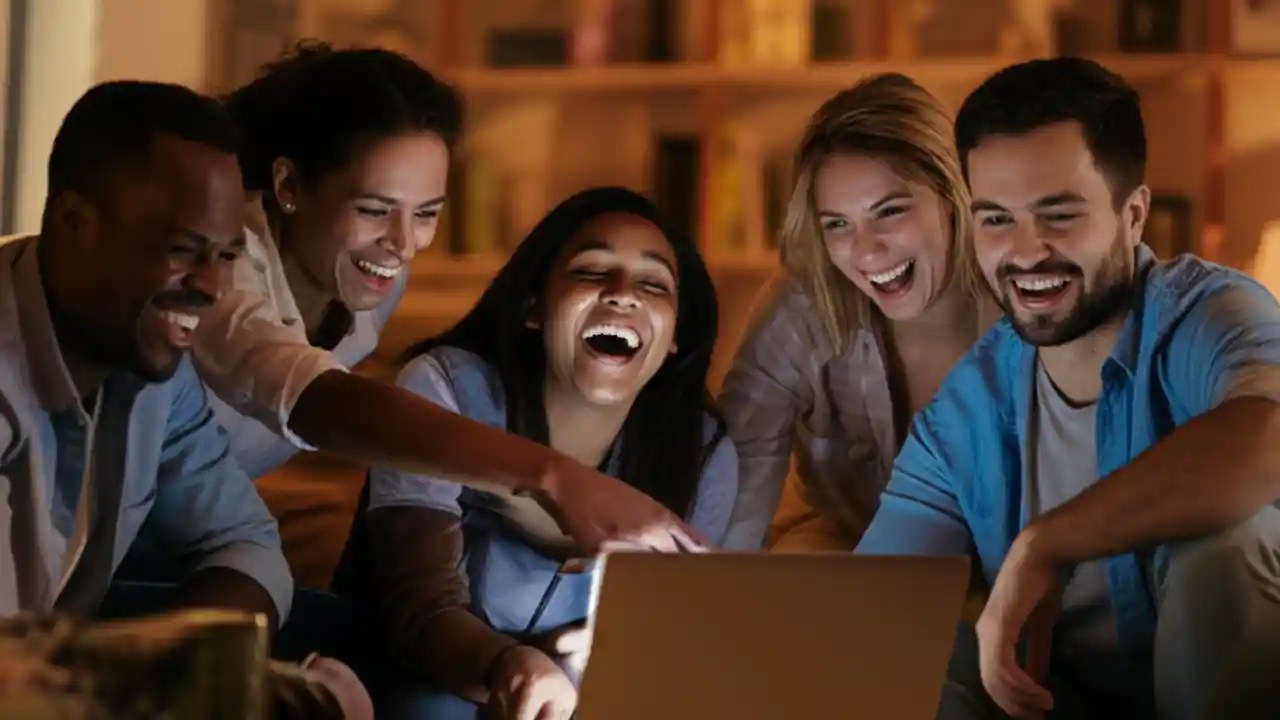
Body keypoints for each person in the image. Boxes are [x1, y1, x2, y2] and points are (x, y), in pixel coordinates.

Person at [856, 57, 1280, 719]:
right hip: (1053, 707)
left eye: (1058, 215)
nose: (1026, 253)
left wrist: (1048, 542)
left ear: (1134, 215)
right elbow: (869, 608)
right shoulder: (968, 409)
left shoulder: (1212, 316)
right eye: (996, 220)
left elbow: (1268, 439)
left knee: (1227, 549)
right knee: (906, 651)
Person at [191, 42, 696, 555]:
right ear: (290, 185)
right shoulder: (218, 263)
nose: (403, 243)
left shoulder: (378, 275)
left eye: (427, 213)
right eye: (373, 209)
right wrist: (555, 477)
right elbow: (313, 398)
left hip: (194, 522)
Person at [335, 187, 753, 719]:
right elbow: (419, 609)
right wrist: (509, 665)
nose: (624, 295)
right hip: (420, 676)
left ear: (674, 336)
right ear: (533, 305)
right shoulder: (444, 388)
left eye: (654, 284)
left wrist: (575, 668)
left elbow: (670, 636)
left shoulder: (704, 450)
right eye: (592, 271)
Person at [719, 73, 994, 551]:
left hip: (1022, 566)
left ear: (953, 197)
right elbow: (735, 496)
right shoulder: (803, 310)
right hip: (860, 554)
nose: (866, 252)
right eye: (838, 224)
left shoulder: (1025, 302)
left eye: (890, 211)